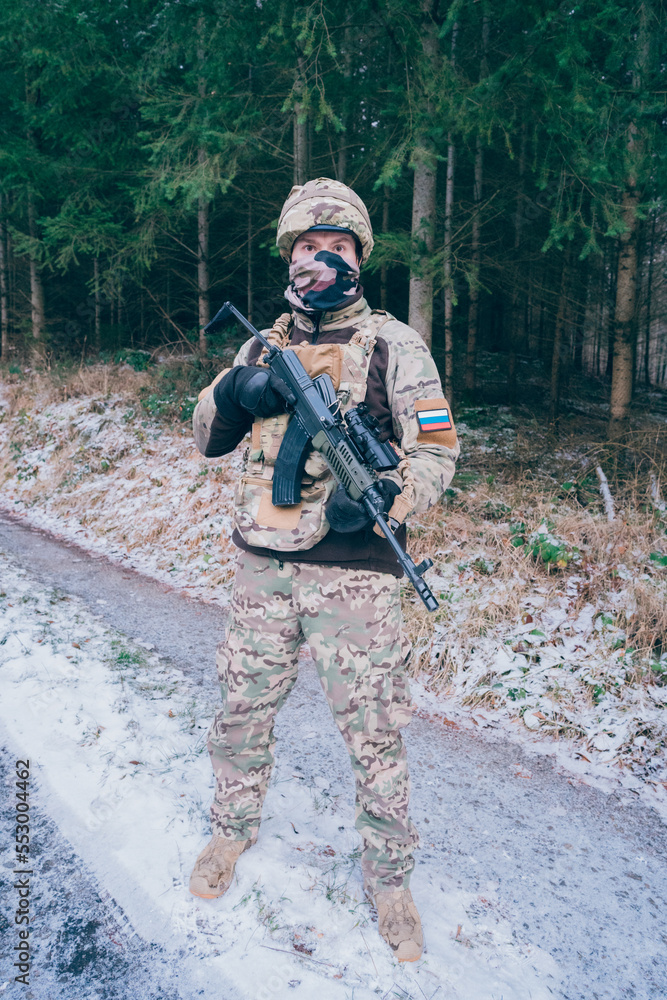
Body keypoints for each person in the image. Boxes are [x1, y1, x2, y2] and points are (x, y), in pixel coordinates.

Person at [189, 177, 459, 962]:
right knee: (241, 713)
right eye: (308, 247)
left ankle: (390, 882)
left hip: (356, 578)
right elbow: (205, 437)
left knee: (374, 734)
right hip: (263, 567)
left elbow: (437, 451)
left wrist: (389, 497)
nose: (321, 259)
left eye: (336, 247)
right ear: (290, 255)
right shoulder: (258, 345)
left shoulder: (395, 344)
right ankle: (229, 833)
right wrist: (239, 389)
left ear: (358, 257)